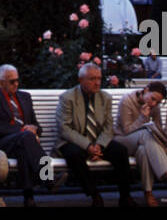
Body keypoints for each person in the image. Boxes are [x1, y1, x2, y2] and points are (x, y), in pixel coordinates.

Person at [54, 63, 136, 207]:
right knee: (75, 155)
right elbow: (64, 129)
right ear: (81, 80)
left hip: (98, 141)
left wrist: (99, 145)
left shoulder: (105, 98)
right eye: (92, 79)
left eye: (99, 78)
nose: (97, 82)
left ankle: (125, 196)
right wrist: (87, 146)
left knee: (120, 151)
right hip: (73, 141)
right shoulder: (67, 98)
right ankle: (94, 195)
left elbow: (108, 126)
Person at [115, 80, 167, 206]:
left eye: (158, 102)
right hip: (122, 141)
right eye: (153, 98)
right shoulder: (127, 100)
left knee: (144, 151)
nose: (154, 103)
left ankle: (148, 193)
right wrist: (143, 118)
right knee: (146, 133)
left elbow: (158, 129)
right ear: (146, 90)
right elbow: (127, 130)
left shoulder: (154, 106)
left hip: (143, 142)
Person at [0, 64, 47, 207]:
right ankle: (48, 178)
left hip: (23, 142)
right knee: (25, 138)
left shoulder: (25, 97)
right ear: (0, 83)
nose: (16, 84)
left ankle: (28, 198)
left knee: (23, 148)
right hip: (2, 145)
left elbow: (36, 125)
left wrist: (34, 129)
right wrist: (24, 129)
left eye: (17, 80)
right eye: (12, 81)